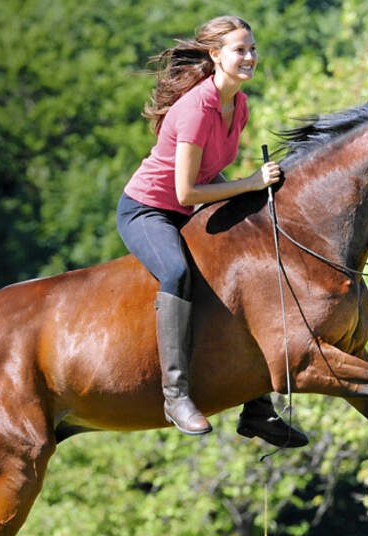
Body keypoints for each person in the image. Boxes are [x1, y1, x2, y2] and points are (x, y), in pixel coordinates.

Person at [118, 15, 308, 447]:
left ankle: (257, 408)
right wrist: (251, 184)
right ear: (215, 55)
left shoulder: (237, 104)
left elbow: (211, 171)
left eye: (253, 49)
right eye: (241, 49)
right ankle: (176, 396)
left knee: (248, 268)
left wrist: (254, 197)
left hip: (190, 203)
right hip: (149, 211)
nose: (250, 57)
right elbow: (185, 192)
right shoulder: (197, 107)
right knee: (178, 274)